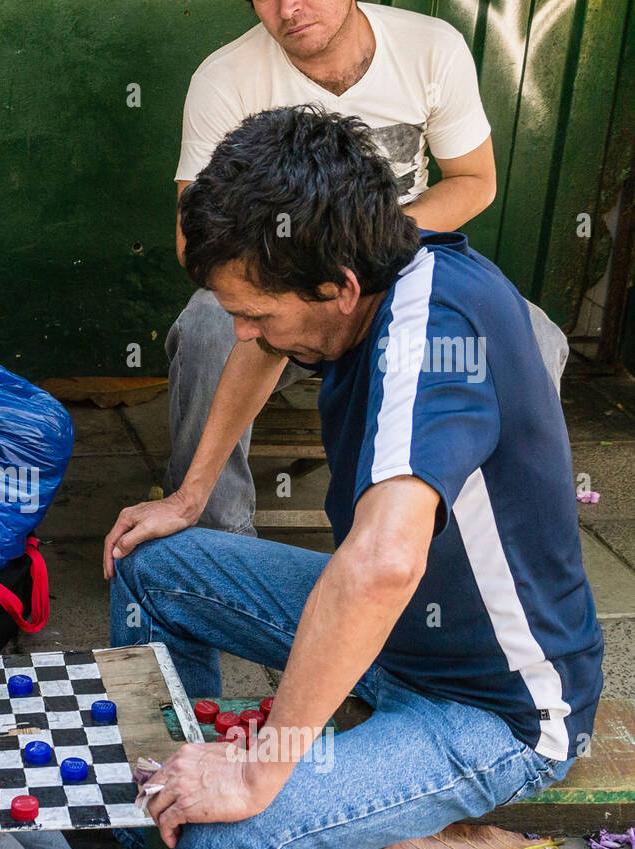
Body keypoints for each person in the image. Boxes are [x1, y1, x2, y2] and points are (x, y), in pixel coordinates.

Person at [104, 106, 603, 849]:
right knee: (153, 567)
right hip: (399, 636)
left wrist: (267, 768)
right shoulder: (369, 252)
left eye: (255, 312)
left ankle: (222, 822)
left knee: (241, 845)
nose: (245, 334)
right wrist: (189, 495)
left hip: (492, 709)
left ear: (337, 287)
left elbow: (383, 564)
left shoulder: (434, 333)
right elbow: (266, 348)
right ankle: (168, 800)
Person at [166, 0, 569, 532]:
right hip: (281, 283)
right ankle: (213, 538)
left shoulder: (432, 46)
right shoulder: (224, 77)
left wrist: (366, 244)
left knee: (536, 335)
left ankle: (471, 536)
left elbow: (475, 179)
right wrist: (303, 271)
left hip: (394, 265)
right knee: (207, 330)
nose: (290, 8)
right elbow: (194, 240)